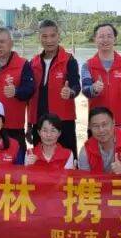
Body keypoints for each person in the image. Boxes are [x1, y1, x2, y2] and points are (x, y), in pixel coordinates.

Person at [27, 19, 81, 154]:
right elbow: (30, 97)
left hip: (63, 122)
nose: (49, 40)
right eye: (44, 36)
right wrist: (29, 125)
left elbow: (76, 85)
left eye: (52, 36)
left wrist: (70, 92)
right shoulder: (33, 62)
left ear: (58, 36)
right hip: (39, 123)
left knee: (68, 160)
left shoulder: (69, 60)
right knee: (41, 161)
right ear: (39, 37)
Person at [0, 27, 35, 146]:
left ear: (11, 44)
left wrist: (16, 91)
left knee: (16, 157)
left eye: (2, 42)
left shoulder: (23, 64)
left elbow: (30, 90)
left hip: (14, 127)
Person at [83, 22, 121, 133]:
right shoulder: (87, 65)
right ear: (95, 40)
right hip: (97, 125)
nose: (105, 40)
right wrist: (94, 89)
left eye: (109, 36)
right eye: (101, 36)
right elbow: (85, 90)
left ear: (115, 39)